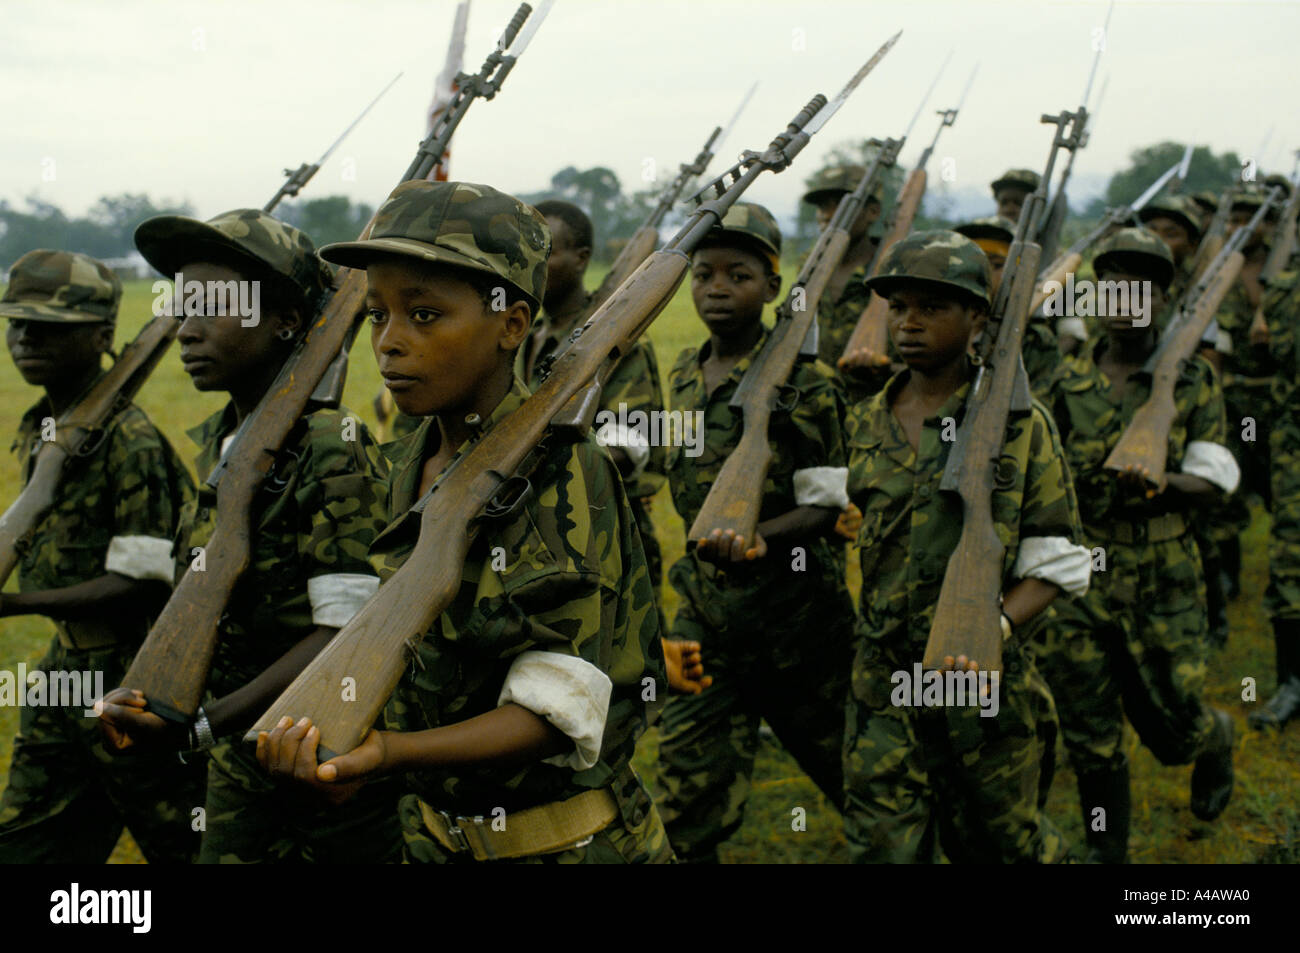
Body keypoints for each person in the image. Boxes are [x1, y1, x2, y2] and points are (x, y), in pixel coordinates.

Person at [257, 179, 674, 863]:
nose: (389, 343)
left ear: (511, 324)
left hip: (564, 844)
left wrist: (387, 752)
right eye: (377, 315)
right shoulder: (406, 460)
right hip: (434, 840)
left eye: (424, 315)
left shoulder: (562, 472)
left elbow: (553, 710)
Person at [96, 210, 400, 863]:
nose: (186, 327)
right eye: (183, 306)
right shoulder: (223, 443)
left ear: (288, 321)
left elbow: (345, 630)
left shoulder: (327, 447)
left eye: (214, 305)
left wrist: (205, 724)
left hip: (315, 765)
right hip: (238, 758)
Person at [842, 230, 1089, 864]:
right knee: (883, 847)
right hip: (886, 680)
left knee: (1002, 844)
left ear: (978, 317)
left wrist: (994, 626)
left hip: (982, 686)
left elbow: (1060, 557)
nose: (909, 323)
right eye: (898, 307)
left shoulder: (1019, 424)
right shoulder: (864, 419)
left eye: (933, 307)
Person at [652, 202, 856, 863]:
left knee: (862, 781)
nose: (716, 288)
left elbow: (829, 502)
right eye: (704, 273)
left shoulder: (808, 382)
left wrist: (765, 534)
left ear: (773, 286)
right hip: (706, 620)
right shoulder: (684, 372)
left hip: (801, 624)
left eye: (737, 274)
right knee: (686, 802)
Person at [1038, 229, 1240, 862]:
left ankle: (1215, 739)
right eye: (1112, 284)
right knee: (1089, 732)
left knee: (1175, 722)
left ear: (1163, 296)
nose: (1125, 298)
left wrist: (1165, 480)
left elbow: (1215, 480)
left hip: (1164, 572)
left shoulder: (1193, 380)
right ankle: (1108, 852)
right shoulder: (1064, 381)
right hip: (1079, 571)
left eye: (1142, 285)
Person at [0, 250, 204, 863]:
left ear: (103, 337)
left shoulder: (130, 441)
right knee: (25, 842)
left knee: (184, 843)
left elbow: (143, 583)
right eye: (17, 322)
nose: (27, 338)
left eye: (51, 326)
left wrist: (15, 603)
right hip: (66, 671)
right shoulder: (47, 425)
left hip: (136, 681)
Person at [798, 164, 884, 368]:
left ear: (872, 212)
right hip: (816, 392)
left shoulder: (892, 268)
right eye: (822, 206)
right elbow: (796, 313)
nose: (827, 215)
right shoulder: (808, 265)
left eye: (839, 204)